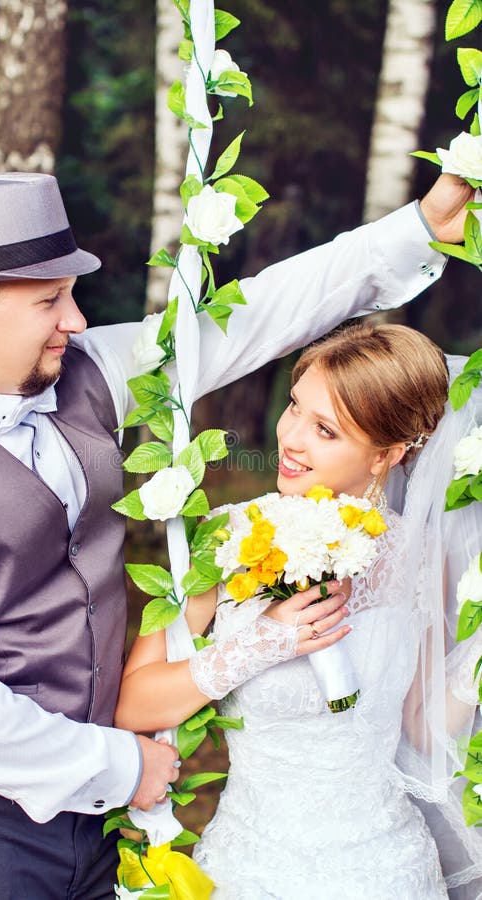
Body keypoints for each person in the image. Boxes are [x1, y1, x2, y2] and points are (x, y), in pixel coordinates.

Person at [0, 170, 472, 900]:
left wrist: (416, 226)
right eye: (50, 299)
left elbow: (252, 317)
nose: (76, 318)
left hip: (103, 830)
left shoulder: (88, 371)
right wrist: (123, 764)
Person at [115, 323, 482, 899]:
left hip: (388, 872)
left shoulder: (420, 556)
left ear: (386, 453)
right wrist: (257, 645)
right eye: (294, 406)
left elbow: (420, 727)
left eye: (325, 429)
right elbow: (132, 704)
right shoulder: (227, 539)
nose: (291, 438)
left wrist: (479, 654)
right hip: (252, 870)